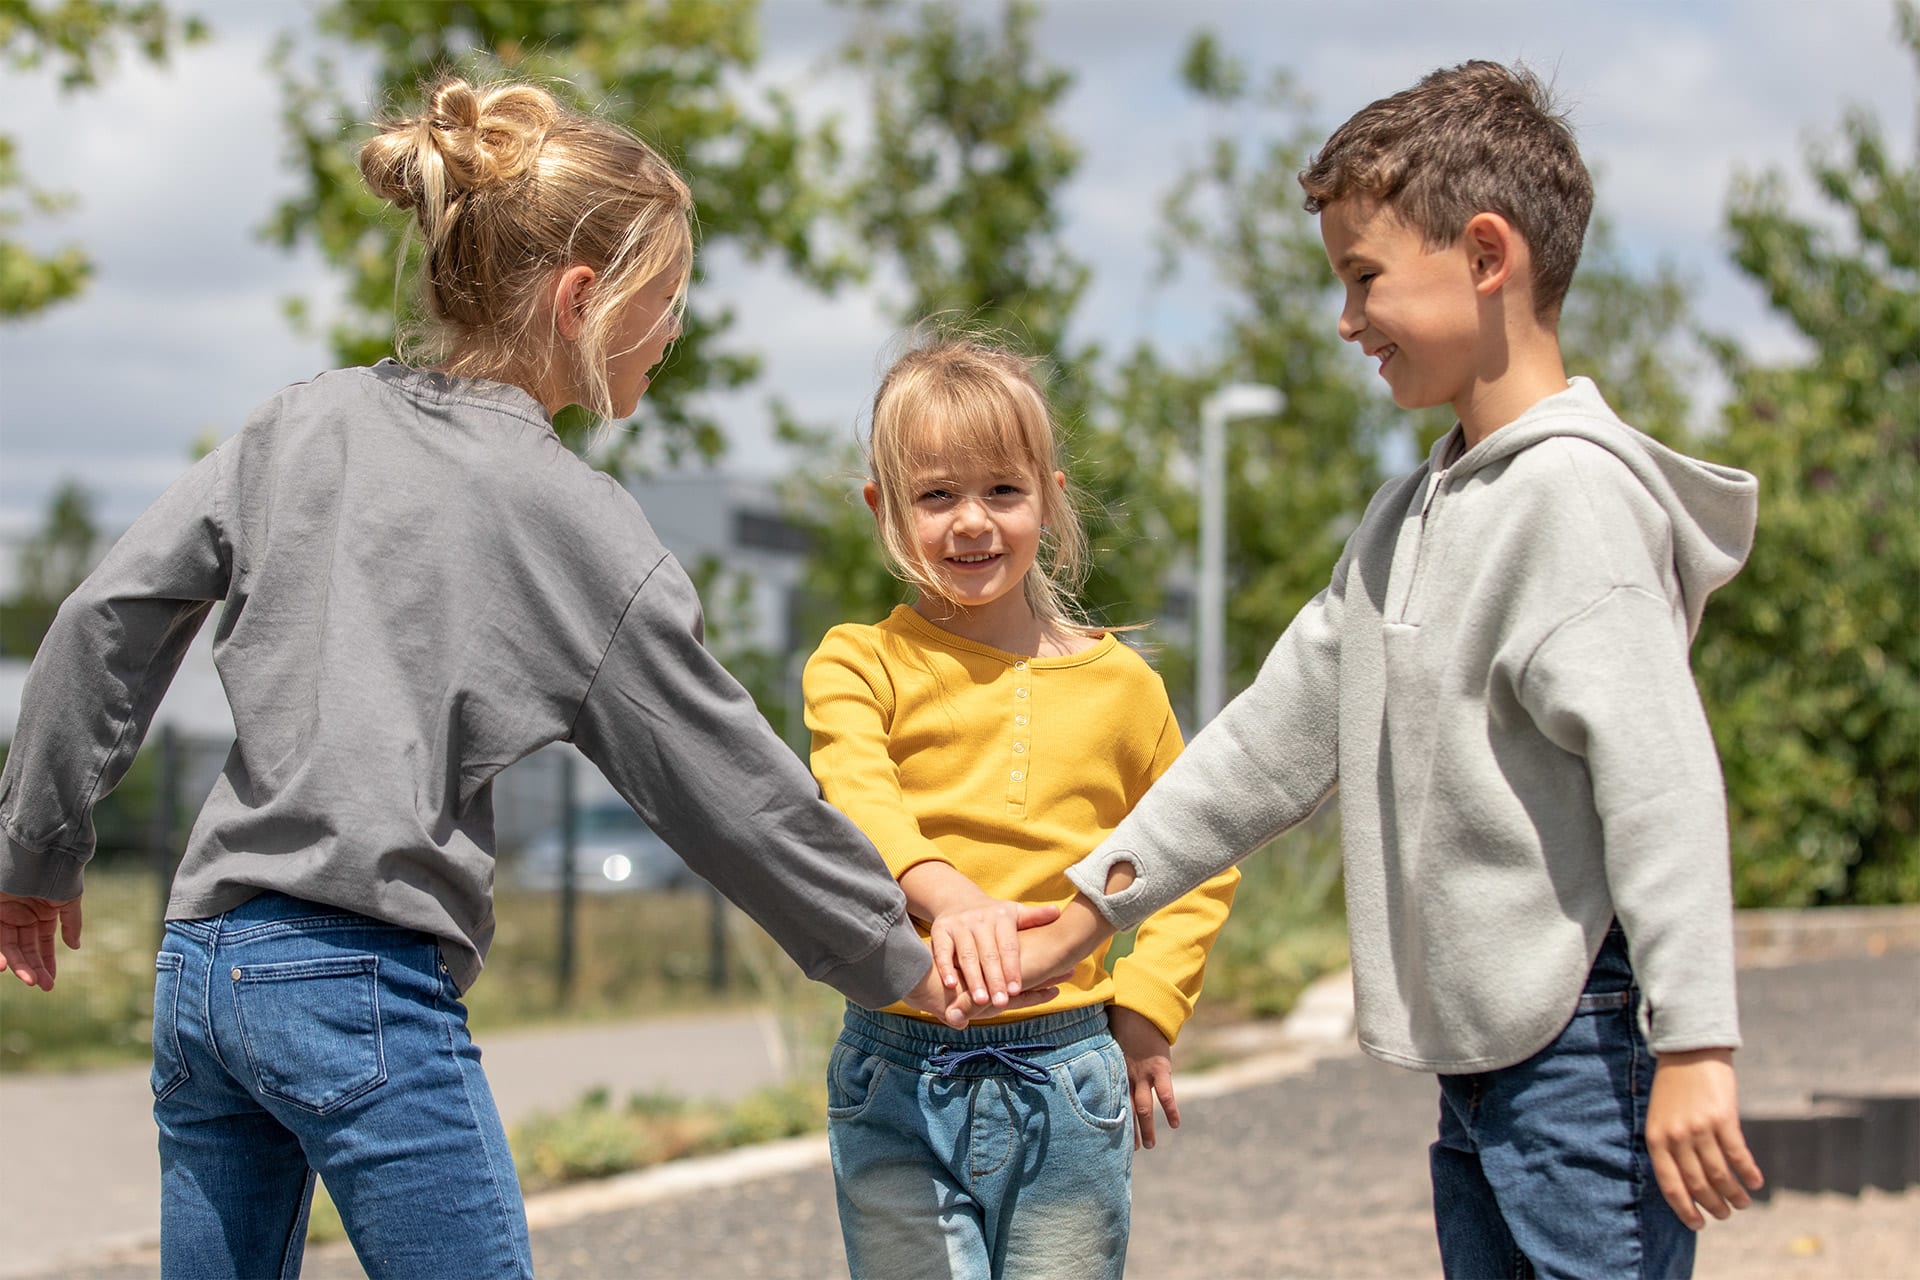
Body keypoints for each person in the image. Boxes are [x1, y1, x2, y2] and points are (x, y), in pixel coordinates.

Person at [0, 77, 998, 1280]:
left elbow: (103, 616)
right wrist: (894, 956)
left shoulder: (302, 421)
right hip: (362, 978)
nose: (674, 334)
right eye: (668, 301)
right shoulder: (572, 520)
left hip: (202, 961)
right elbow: (728, 784)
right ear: (583, 301)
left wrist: (34, 850)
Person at [1027, 62, 1766, 1279]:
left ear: (1486, 255)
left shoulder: (1573, 502)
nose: (1346, 317)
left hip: (1584, 1048)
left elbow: (1663, 782)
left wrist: (1695, 1044)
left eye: (1364, 276)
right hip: (1483, 1069)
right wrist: (1093, 904)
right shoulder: (1406, 517)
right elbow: (1271, 739)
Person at [802, 332, 1240, 1280]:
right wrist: (951, 898)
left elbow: (1198, 852)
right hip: (896, 1074)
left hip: (1068, 1076)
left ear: (1050, 496)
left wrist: (1150, 1006)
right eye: (936, 495)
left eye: (1003, 490)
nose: (973, 522)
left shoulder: (1123, 687)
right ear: (884, 508)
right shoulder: (857, 663)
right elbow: (858, 794)